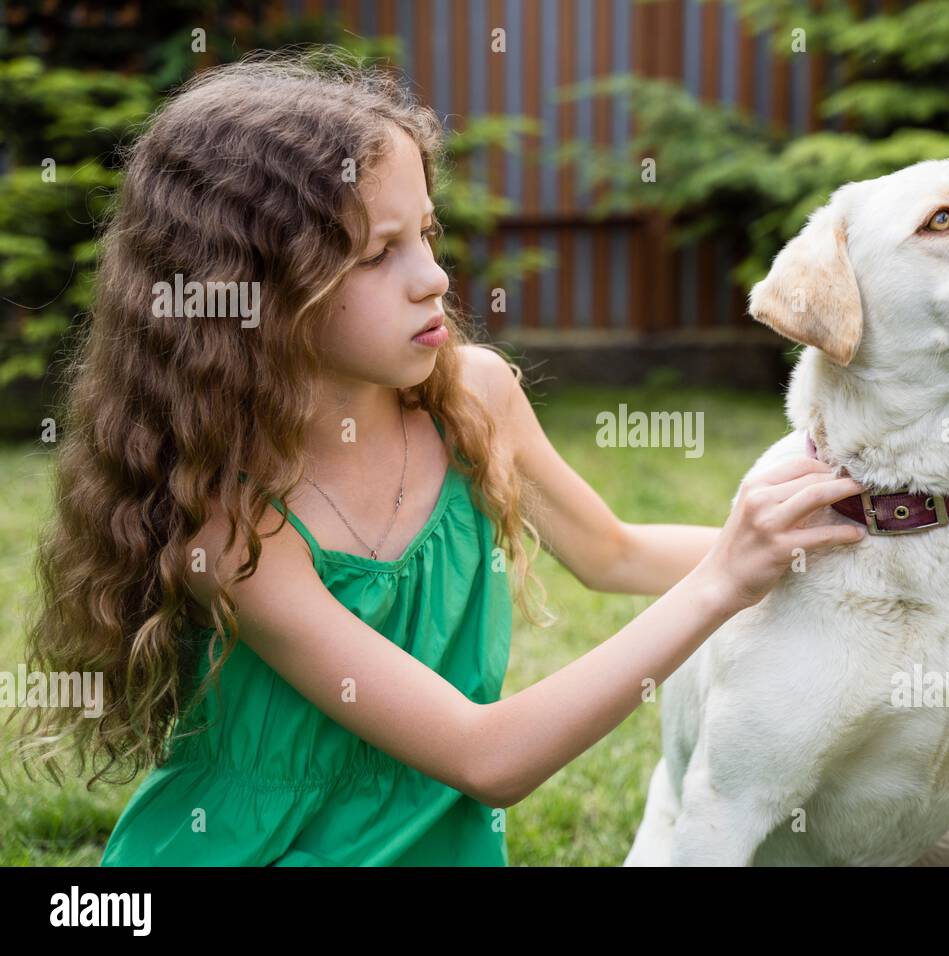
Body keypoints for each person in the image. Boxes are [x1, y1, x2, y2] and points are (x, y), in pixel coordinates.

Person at [9, 51, 867, 866]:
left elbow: (614, 555)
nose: (433, 280)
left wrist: (839, 532)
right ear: (256, 292)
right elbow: (484, 757)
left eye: (426, 233)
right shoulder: (224, 519)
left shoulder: (476, 399)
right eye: (379, 254)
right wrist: (725, 580)